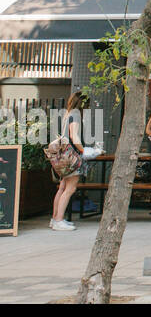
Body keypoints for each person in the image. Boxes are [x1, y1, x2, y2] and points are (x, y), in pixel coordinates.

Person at [50, 92, 90, 231]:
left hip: (64, 156)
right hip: (72, 157)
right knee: (70, 189)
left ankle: (55, 218)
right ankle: (59, 220)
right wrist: (85, 151)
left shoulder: (68, 114)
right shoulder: (77, 115)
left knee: (62, 188)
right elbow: (74, 136)